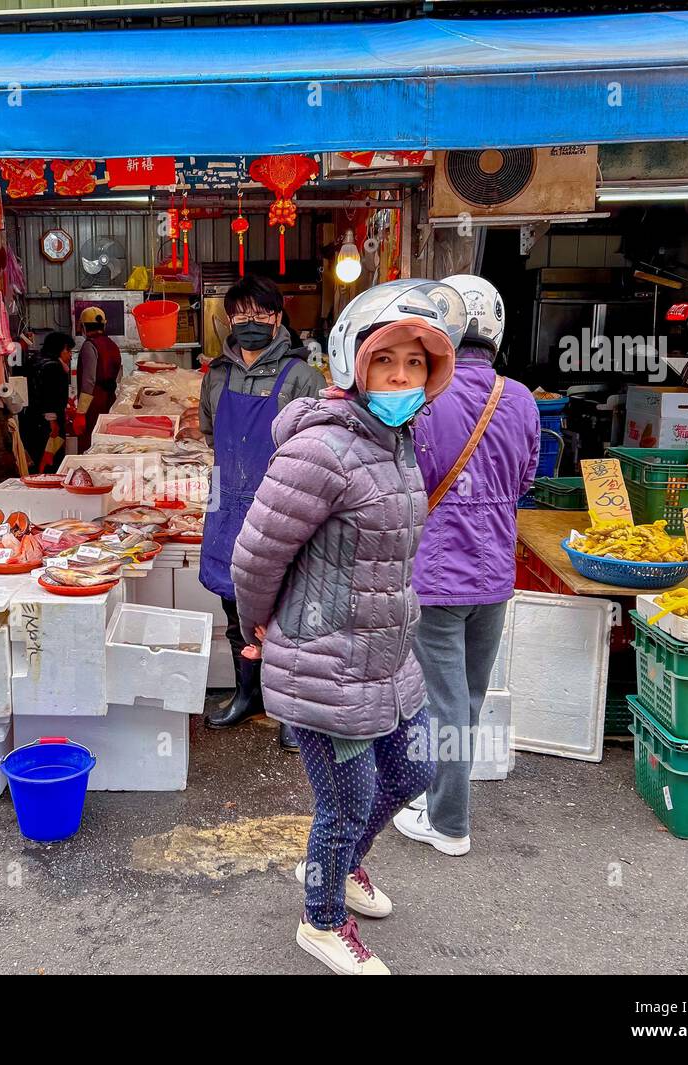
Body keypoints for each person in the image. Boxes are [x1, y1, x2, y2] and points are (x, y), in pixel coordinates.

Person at [230, 281, 455, 975]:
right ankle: (321, 918)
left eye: (415, 365)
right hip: (322, 655)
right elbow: (256, 553)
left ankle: (342, 863)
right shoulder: (322, 448)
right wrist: (256, 626)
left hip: (385, 653)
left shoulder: (396, 440)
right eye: (387, 361)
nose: (401, 377)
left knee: (416, 767)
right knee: (347, 800)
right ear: (356, 364)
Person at [392, 275, 540, 857]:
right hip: (496, 573)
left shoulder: (426, 397)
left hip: (436, 574)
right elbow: (526, 481)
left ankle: (449, 821)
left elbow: (405, 483)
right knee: (468, 696)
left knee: (442, 701)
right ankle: (439, 793)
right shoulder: (521, 399)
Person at [198, 274, 323, 752]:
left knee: (288, 612)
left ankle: (290, 709)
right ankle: (246, 693)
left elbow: (317, 447)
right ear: (230, 319)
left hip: (283, 507)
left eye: (261, 314)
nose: (250, 323)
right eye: (241, 315)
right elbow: (211, 434)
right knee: (236, 610)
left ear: (277, 318)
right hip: (228, 504)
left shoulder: (302, 376)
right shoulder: (216, 375)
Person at [20, 331, 76, 473]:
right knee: (50, 461)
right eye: (68, 350)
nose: (70, 355)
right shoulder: (53, 366)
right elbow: (49, 396)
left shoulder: (35, 360)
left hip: (31, 421)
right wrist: (53, 422)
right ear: (58, 349)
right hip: (45, 424)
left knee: (38, 459)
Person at [74, 307, 122, 452]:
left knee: (91, 443)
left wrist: (81, 413)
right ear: (104, 325)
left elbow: (89, 380)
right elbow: (119, 375)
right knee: (106, 440)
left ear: (83, 326)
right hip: (110, 399)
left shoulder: (90, 345)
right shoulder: (112, 345)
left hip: (94, 404)